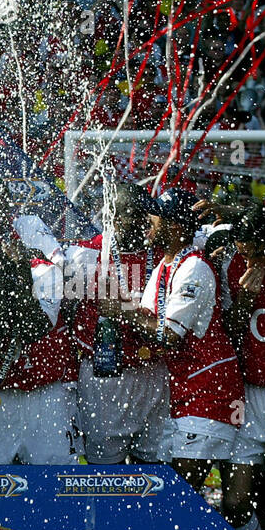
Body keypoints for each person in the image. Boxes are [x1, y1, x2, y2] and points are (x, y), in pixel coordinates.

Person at [96, 189, 245, 513]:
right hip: (182, 393)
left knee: (177, 502)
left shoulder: (194, 269)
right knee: (172, 502)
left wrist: (120, 311)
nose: (146, 221)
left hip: (209, 394)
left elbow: (167, 335)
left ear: (176, 226)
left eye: (155, 215)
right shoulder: (166, 265)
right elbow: (147, 322)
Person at [0, 176, 81, 465]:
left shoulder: (40, 263)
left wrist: (19, 273)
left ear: (7, 209)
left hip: (44, 392)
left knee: (56, 485)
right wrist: (1, 279)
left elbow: (36, 327)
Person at [70, 181, 171, 465]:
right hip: (107, 376)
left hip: (154, 372)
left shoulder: (164, 252)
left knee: (155, 472)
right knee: (106, 475)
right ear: (114, 218)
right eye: (134, 215)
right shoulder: (87, 256)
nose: (142, 224)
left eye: (145, 216)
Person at [217, 204, 265, 530]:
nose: (250, 262)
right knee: (234, 501)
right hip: (244, 394)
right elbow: (228, 333)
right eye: (244, 254)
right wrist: (246, 296)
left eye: (257, 253)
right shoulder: (233, 268)